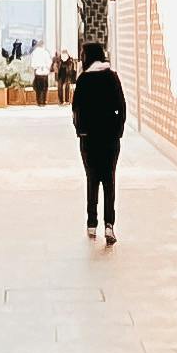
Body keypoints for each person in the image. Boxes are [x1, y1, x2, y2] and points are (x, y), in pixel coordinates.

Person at [71, 39, 126, 243]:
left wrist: (81, 131)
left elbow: (76, 108)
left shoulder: (84, 80)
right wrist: (118, 130)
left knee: (92, 179)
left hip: (89, 137)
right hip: (110, 137)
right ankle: (109, 225)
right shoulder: (112, 77)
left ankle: (91, 223)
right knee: (109, 180)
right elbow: (122, 106)